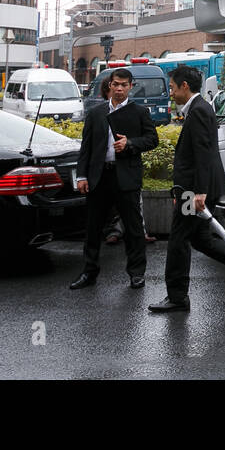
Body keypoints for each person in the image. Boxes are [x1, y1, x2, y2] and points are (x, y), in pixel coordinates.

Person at [149, 66, 225, 311]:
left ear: (184, 86)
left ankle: (177, 297)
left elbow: (203, 154)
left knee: (178, 240)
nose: (171, 92)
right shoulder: (200, 108)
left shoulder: (198, 110)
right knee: (200, 240)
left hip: (194, 190)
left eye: (172, 87)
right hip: (193, 188)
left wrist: (198, 193)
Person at [70, 67, 158, 291]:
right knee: (92, 228)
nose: (119, 89)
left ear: (130, 87)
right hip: (99, 176)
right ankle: (89, 273)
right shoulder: (96, 112)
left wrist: (130, 144)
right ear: (110, 85)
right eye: (116, 84)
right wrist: (81, 176)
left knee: (133, 228)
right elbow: (86, 148)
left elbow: (152, 139)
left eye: (124, 85)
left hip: (126, 176)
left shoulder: (139, 112)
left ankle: (137, 274)